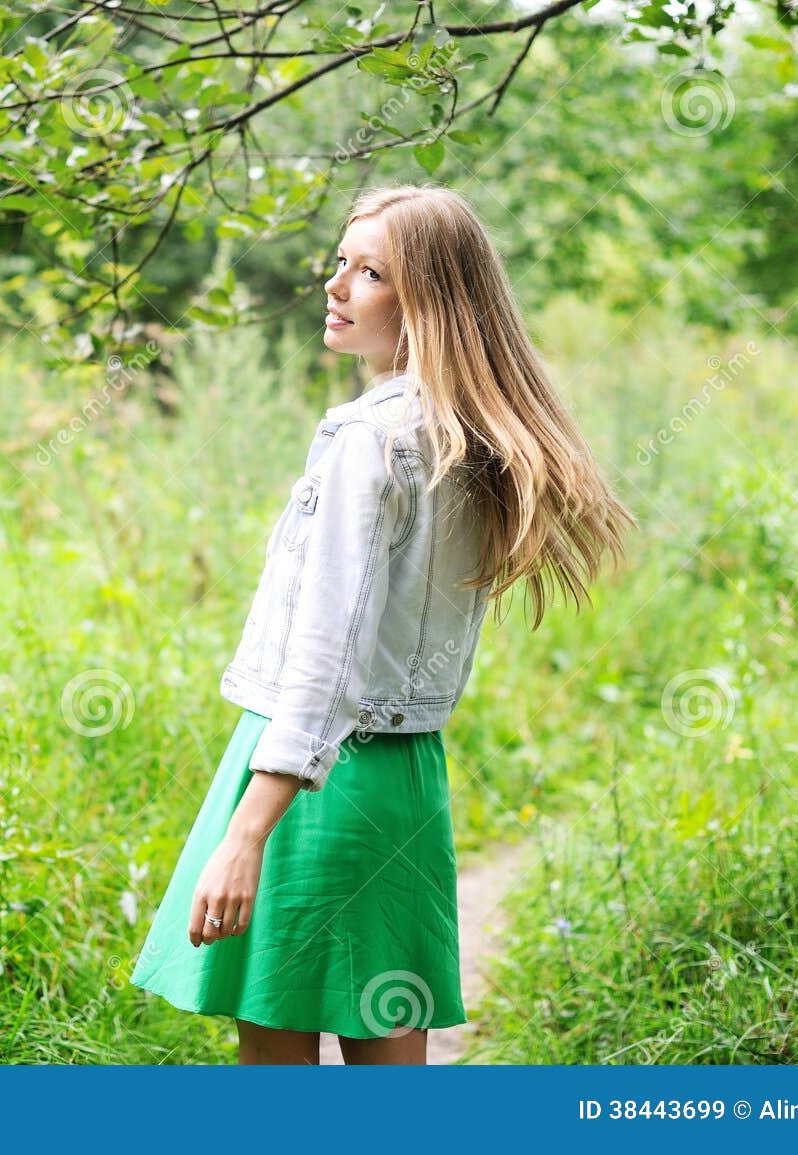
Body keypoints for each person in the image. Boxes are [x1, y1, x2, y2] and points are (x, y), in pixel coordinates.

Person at [128, 183, 638, 1064]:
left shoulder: (374, 441)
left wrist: (246, 832)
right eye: (340, 261)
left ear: (430, 301)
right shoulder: (468, 437)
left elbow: (328, 655)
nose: (335, 286)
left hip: (307, 781)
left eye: (370, 272)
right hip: (403, 781)